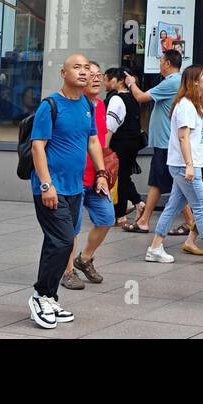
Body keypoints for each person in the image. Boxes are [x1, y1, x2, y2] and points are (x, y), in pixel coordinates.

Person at [27, 52, 111, 330]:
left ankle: (50, 296)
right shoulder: (50, 105)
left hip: (76, 187)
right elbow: (38, 146)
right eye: (77, 67)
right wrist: (46, 184)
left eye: (87, 67)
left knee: (57, 242)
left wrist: (100, 173)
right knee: (63, 241)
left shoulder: (86, 104)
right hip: (52, 187)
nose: (84, 72)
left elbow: (93, 141)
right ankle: (40, 296)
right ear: (64, 73)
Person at [145, 65, 203, 265]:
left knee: (173, 206)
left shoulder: (194, 105)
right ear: (195, 81)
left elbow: (196, 135)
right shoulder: (186, 105)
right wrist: (189, 165)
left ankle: (155, 247)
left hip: (187, 164)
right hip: (185, 165)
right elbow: (183, 137)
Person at [126, 49, 195, 241]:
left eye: (161, 61)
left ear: (167, 63)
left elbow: (140, 98)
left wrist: (132, 84)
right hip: (165, 141)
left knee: (164, 181)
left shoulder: (172, 81)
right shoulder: (176, 81)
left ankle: (148, 221)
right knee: (164, 181)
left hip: (165, 141)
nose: (159, 64)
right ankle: (147, 220)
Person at [62, 62, 117, 290]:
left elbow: (101, 145)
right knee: (71, 229)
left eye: (99, 75)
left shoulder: (101, 106)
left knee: (106, 218)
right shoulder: (74, 106)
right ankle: (67, 272)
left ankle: (84, 259)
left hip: (96, 178)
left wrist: (102, 172)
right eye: (90, 75)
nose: (95, 79)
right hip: (74, 178)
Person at [105, 67, 146, 230]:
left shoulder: (116, 99)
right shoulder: (133, 97)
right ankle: (138, 202)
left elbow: (110, 126)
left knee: (119, 179)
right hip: (132, 143)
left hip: (120, 143)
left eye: (108, 79)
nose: (105, 82)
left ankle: (120, 215)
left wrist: (104, 148)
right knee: (124, 177)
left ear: (120, 81)